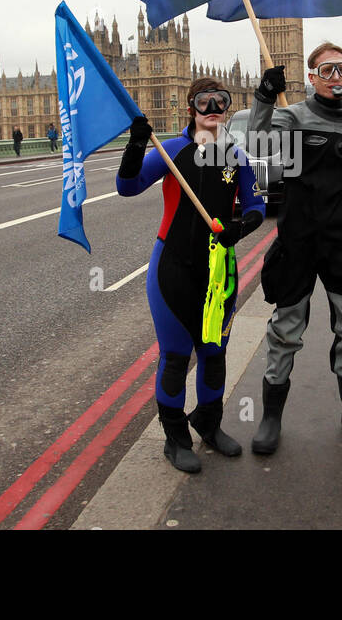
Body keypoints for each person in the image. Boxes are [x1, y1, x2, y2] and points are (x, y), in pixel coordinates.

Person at [117, 78, 266, 473]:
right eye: (205, 101)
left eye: (221, 100)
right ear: (191, 107)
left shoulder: (236, 155)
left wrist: (241, 227)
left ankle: (209, 424)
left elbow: (256, 207)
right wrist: (136, 144)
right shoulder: (171, 152)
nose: (213, 106)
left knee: (215, 356)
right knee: (176, 358)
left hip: (219, 272)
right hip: (173, 270)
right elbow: (127, 187)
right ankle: (176, 439)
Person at [249, 43, 342, 454]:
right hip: (297, 242)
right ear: (311, 78)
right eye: (325, 71)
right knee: (286, 330)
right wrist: (262, 97)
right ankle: (271, 417)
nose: (334, 78)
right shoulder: (292, 117)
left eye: (341, 70)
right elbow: (257, 147)